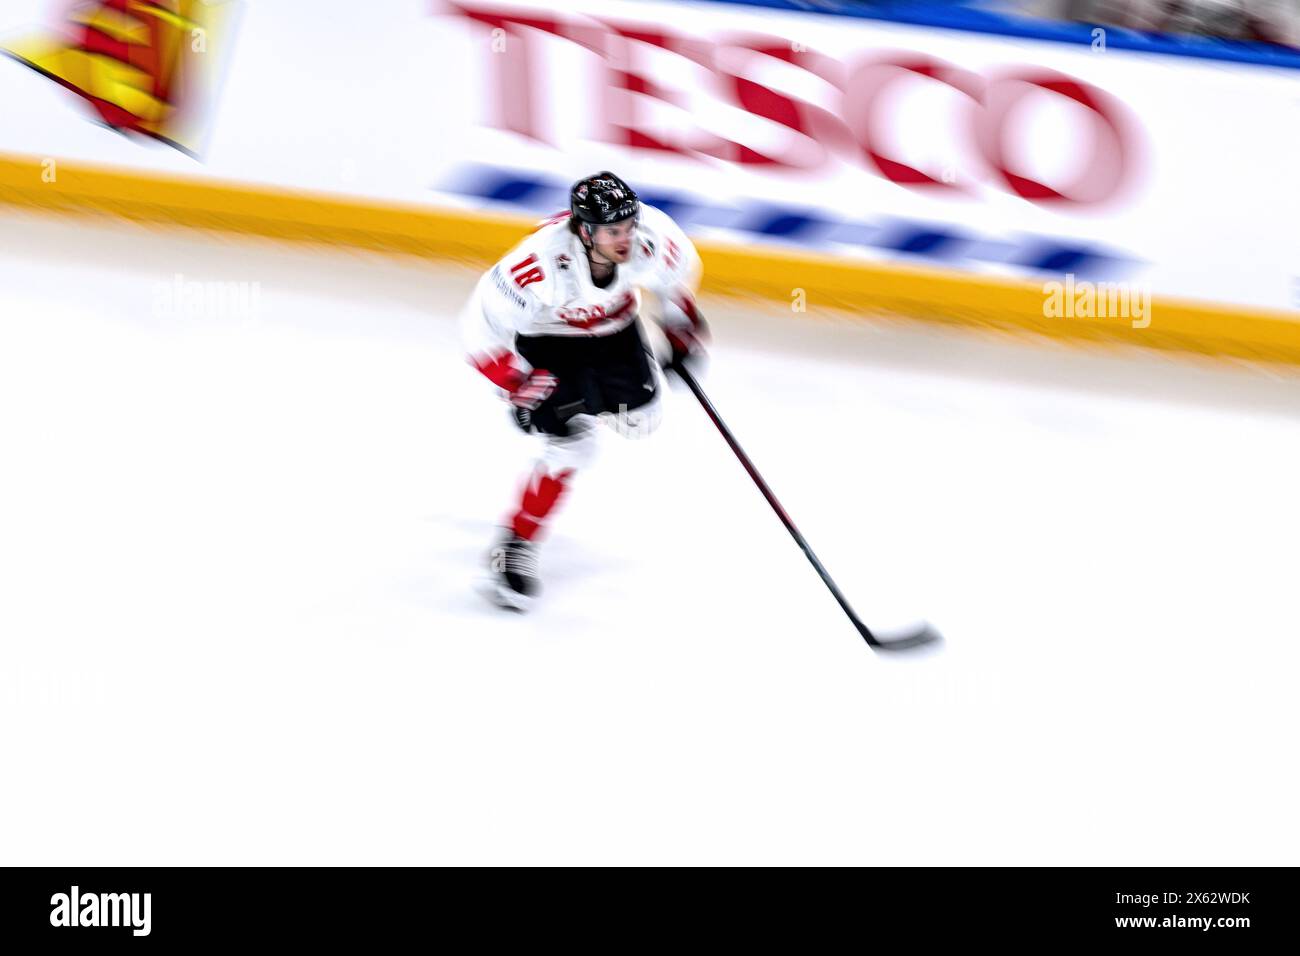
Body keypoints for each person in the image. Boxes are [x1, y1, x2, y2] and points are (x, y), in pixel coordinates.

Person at [461, 172, 707, 610]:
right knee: (572, 446)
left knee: (642, 420)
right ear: (584, 230)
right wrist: (519, 385)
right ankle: (514, 545)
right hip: (548, 340)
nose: (626, 238)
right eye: (614, 231)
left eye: (628, 226)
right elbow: (477, 329)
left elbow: (678, 275)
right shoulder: (536, 265)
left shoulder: (651, 235)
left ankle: (564, 410)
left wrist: (681, 327)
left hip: (615, 330)